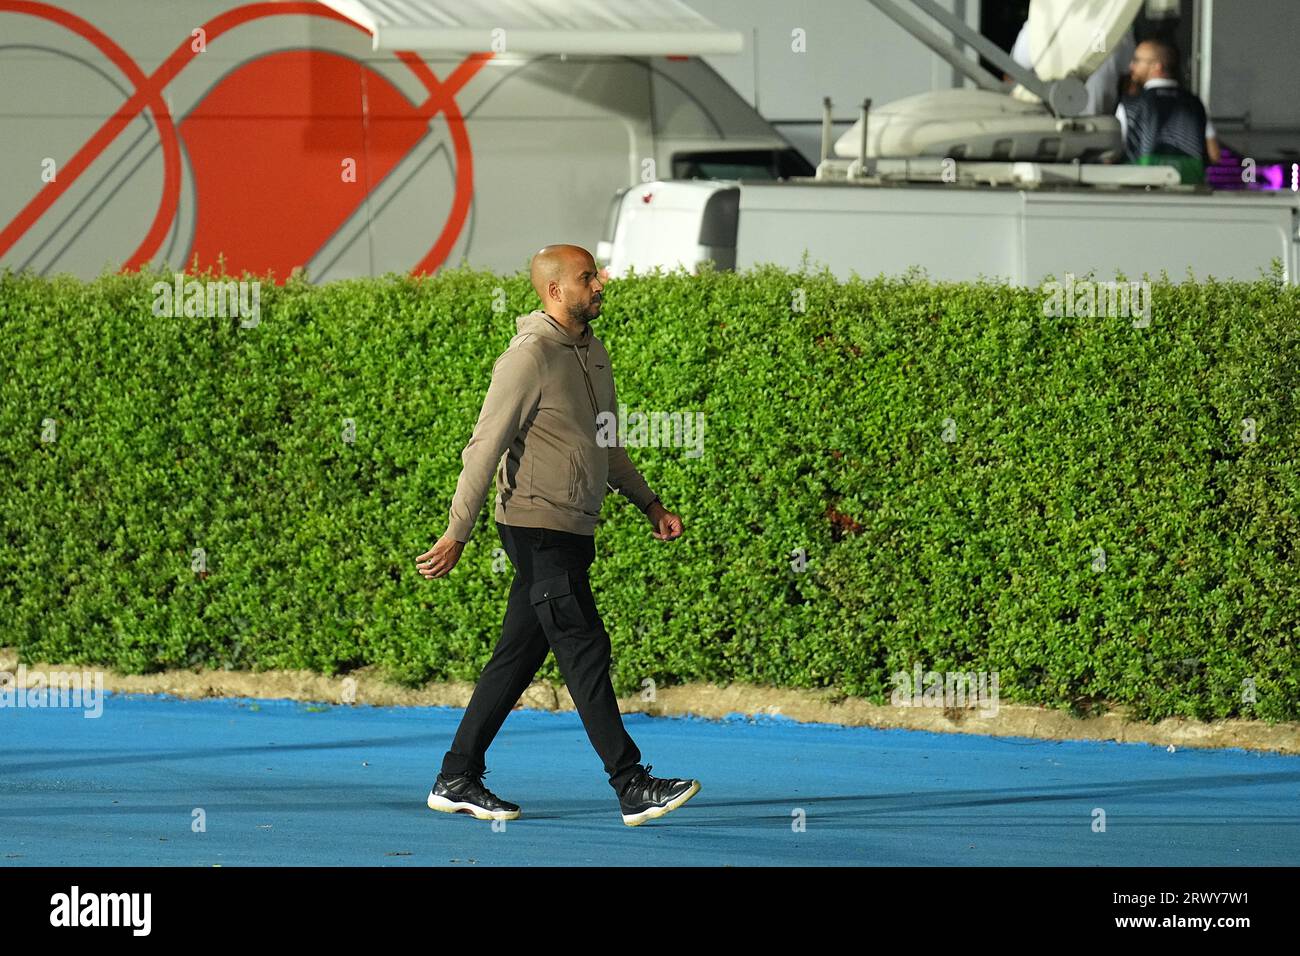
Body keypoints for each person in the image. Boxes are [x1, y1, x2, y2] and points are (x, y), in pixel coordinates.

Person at [415, 243, 701, 827]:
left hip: (572, 528)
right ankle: (630, 784)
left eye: (595, 275)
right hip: (535, 526)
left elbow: (606, 442)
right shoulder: (528, 357)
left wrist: (649, 503)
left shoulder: (592, 353)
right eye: (587, 277)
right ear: (554, 291)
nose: (599, 285)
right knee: (583, 645)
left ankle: (456, 776)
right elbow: (483, 448)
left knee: (517, 656)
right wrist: (457, 532)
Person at [1115, 39, 1209, 184]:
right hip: (1189, 192)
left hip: (1142, 191)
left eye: (1137, 60)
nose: (1131, 66)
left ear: (1157, 66)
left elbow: (1115, 151)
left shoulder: (1130, 106)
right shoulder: (1196, 104)